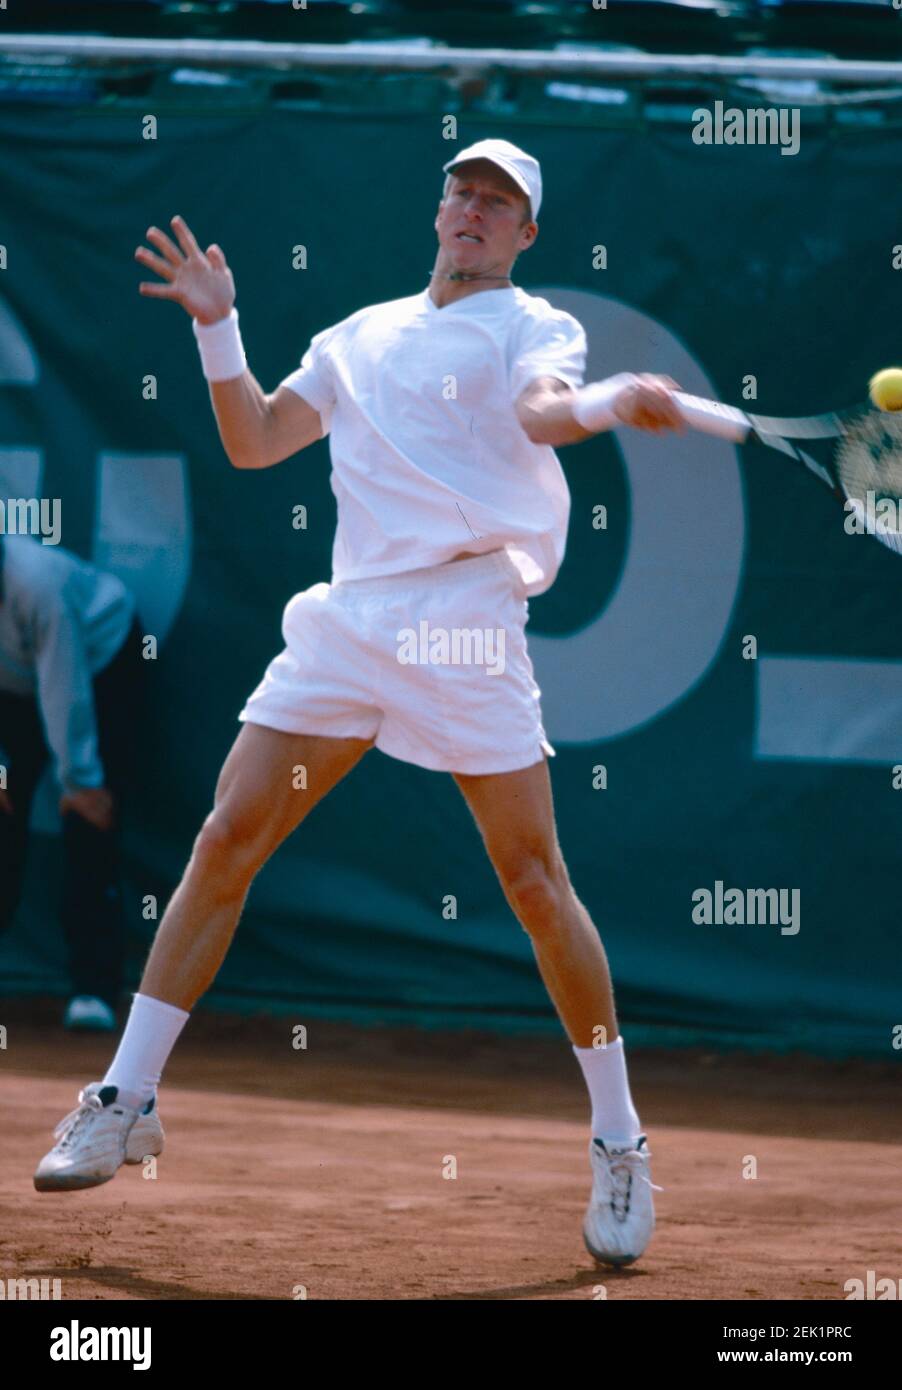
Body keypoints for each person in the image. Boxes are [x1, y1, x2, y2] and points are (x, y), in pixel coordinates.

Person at [33, 138, 686, 1267]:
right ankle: (125, 1097)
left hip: (467, 621)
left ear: (526, 233)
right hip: (351, 623)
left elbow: (542, 412)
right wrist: (218, 327)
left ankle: (619, 1141)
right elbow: (254, 440)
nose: (474, 209)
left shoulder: (535, 328)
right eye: (462, 191)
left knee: (534, 883)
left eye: (499, 203)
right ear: (438, 209)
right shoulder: (357, 335)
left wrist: (607, 401)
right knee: (227, 837)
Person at [0, 533, 146, 1030]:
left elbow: (65, 686)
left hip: (101, 665)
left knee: (89, 814)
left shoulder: (38, 584)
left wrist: (80, 782)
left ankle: (93, 988)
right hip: (13, 684)